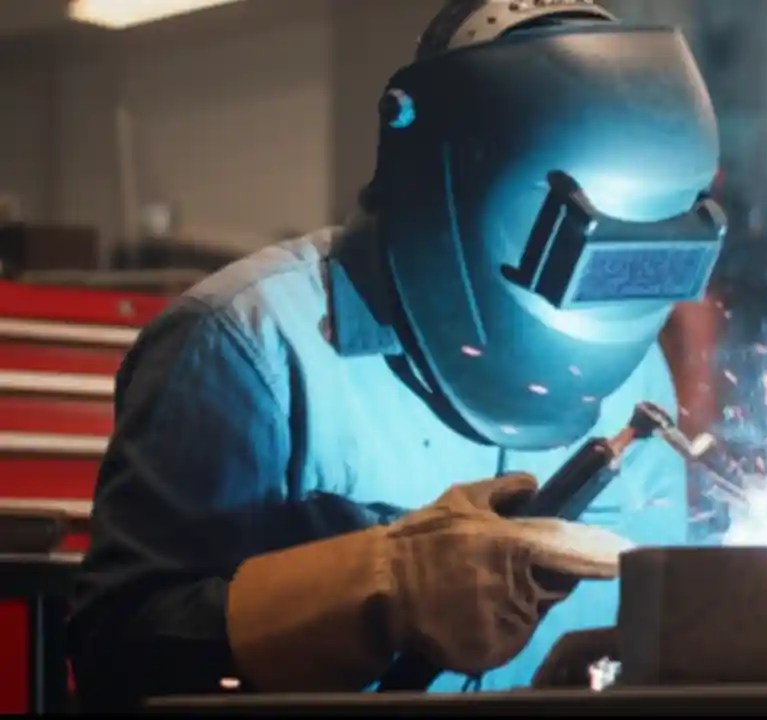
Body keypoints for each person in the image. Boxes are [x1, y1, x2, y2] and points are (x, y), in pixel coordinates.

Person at [66, 0, 725, 710]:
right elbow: (117, 660)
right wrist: (377, 588)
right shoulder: (247, 350)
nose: (595, 309)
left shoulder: (634, 382)